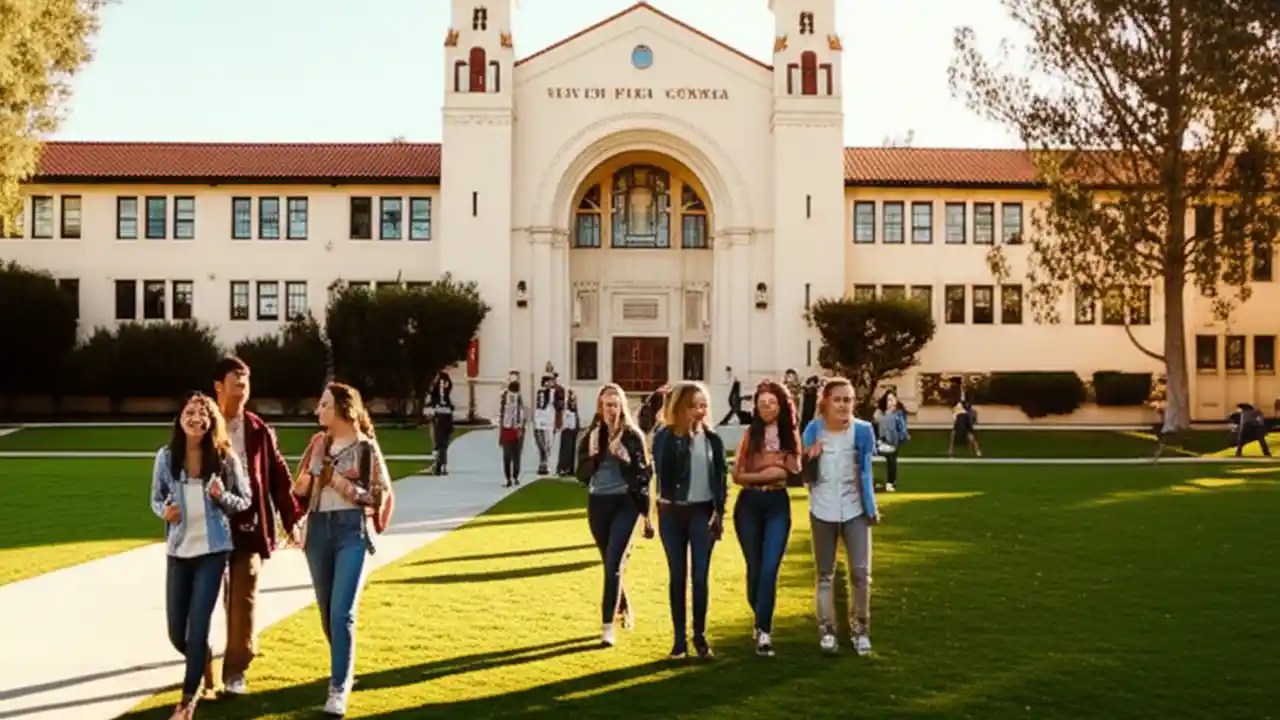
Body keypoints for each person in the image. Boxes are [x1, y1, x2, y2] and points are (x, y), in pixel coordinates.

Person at [293, 383, 395, 716]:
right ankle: (345, 667)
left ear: (342, 408)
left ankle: (338, 687)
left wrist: (333, 478)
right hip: (319, 530)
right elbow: (300, 489)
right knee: (326, 614)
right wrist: (311, 473)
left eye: (323, 404)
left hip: (352, 531)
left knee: (342, 613)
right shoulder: (318, 443)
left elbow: (374, 497)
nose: (317, 410)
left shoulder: (365, 448)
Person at [150, 392, 253, 720]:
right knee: (177, 633)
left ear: (212, 422)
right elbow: (155, 499)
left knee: (198, 627)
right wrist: (164, 511)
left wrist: (222, 496)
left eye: (203, 414)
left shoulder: (223, 457)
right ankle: (200, 656)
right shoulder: (166, 457)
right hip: (179, 551)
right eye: (190, 412)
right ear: (180, 417)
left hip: (213, 551)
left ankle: (187, 701)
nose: (196, 418)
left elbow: (245, 499)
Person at [210, 356, 303, 697]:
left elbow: (278, 476)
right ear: (218, 386)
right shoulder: (202, 423)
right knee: (206, 597)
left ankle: (235, 669)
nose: (243, 386)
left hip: (248, 524)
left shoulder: (257, 429)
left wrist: (292, 519)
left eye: (247, 380)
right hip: (207, 525)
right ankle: (203, 668)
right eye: (236, 379)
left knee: (242, 595)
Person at [801, 377, 879, 656]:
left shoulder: (863, 431)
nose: (844, 405)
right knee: (825, 575)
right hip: (822, 509)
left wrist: (871, 505)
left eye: (848, 400)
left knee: (860, 573)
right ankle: (827, 630)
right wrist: (810, 457)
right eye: (838, 399)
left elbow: (867, 472)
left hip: (855, 510)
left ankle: (861, 630)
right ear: (825, 403)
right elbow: (804, 476)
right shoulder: (813, 430)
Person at [652, 381, 728, 660]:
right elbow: (663, 470)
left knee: (700, 576)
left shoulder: (712, 439)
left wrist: (720, 513)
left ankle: (700, 637)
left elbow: (721, 478)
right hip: (672, 513)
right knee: (677, 576)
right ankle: (678, 640)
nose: (699, 411)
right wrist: (683, 436)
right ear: (679, 408)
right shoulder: (666, 437)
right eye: (693, 405)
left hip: (702, 512)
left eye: (703, 405)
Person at [576, 383, 655, 647]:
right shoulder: (591, 436)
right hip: (598, 502)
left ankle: (607, 627)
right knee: (611, 564)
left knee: (613, 564)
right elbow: (580, 475)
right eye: (604, 405)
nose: (609, 409)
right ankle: (623, 605)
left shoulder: (633, 436)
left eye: (613, 404)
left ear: (622, 406)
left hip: (625, 503)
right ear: (598, 408)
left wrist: (626, 459)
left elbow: (644, 474)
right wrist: (595, 457)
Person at [731, 380, 801, 657]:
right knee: (755, 567)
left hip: (776, 505)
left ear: (781, 405)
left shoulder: (790, 435)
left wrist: (757, 473)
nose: (767, 408)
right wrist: (771, 467)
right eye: (762, 404)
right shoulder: (750, 434)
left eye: (772, 403)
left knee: (770, 568)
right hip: (748, 505)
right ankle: (759, 618)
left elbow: (787, 473)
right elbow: (737, 474)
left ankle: (764, 631)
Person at [875, 390, 909, 492]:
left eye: (891, 400)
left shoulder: (898, 414)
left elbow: (902, 429)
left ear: (895, 401)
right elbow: (876, 425)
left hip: (893, 441)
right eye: (887, 400)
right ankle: (881, 482)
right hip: (881, 441)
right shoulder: (881, 413)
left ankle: (890, 483)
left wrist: (901, 439)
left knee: (891, 458)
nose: (889, 402)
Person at [497, 378, 527, 487]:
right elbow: (523, 415)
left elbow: (502, 414)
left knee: (507, 456)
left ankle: (509, 478)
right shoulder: (519, 398)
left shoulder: (505, 397)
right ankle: (515, 477)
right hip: (517, 429)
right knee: (516, 455)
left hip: (507, 428)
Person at [426, 369, 455, 475]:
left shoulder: (435, 384)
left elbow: (430, 392)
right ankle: (443, 465)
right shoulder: (446, 383)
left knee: (438, 442)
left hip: (438, 414)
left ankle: (438, 464)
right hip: (447, 413)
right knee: (444, 442)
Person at [533, 373, 558, 475]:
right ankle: (543, 464)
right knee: (542, 443)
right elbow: (540, 406)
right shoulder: (542, 392)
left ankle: (545, 464)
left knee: (548, 443)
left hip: (549, 420)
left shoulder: (553, 392)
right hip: (541, 420)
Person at [556, 390, 581, 477]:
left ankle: (570, 469)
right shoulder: (566, 408)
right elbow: (565, 419)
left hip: (573, 430)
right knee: (566, 450)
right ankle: (563, 468)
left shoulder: (574, 408)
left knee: (571, 451)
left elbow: (576, 418)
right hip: (567, 430)